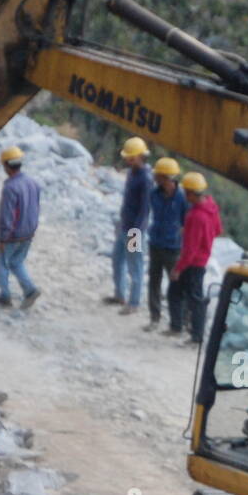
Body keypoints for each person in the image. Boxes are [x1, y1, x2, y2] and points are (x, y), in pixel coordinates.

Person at [168, 172, 221, 345]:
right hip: (200, 260)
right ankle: (184, 328)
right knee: (190, 296)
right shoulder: (211, 207)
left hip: (193, 262)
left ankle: (192, 334)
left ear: (191, 192)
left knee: (186, 296)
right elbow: (218, 230)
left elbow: (190, 249)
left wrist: (178, 268)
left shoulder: (196, 216)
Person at [104, 135, 152, 315]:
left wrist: (136, 232)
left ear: (140, 156)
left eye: (131, 157)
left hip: (134, 230)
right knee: (117, 260)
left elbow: (145, 209)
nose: (128, 160)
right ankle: (120, 295)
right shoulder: (132, 173)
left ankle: (134, 302)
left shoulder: (146, 178)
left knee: (135, 266)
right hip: (125, 226)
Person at [0, 146, 41, 309]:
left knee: (2, 264)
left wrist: (2, 239)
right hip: (28, 233)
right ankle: (29, 290)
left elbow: (7, 217)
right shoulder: (33, 183)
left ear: (6, 165)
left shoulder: (10, 188)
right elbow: (36, 207)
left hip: (12, 235)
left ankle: (5, 296)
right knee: (17, 262)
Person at [144, 157, 188, 332]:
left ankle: (181, 322)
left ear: (166, 177)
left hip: (172, 247)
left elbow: (187, 222)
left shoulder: (182, 198)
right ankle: (154, 317)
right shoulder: (154, 194)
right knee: (153, 281)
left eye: (158, 174)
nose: (154, 176)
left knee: (176, 285)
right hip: (153, 242)